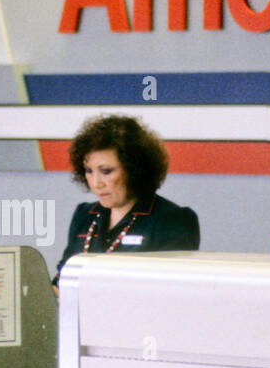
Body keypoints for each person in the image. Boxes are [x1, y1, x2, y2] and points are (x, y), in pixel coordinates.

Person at [53, 114, 200, 284]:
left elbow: (171, 290)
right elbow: (61, 280)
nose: (96, 183)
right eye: (89, 171)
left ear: (134, 170)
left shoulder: (172, 219)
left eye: (106, 171)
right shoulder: (84, 214)